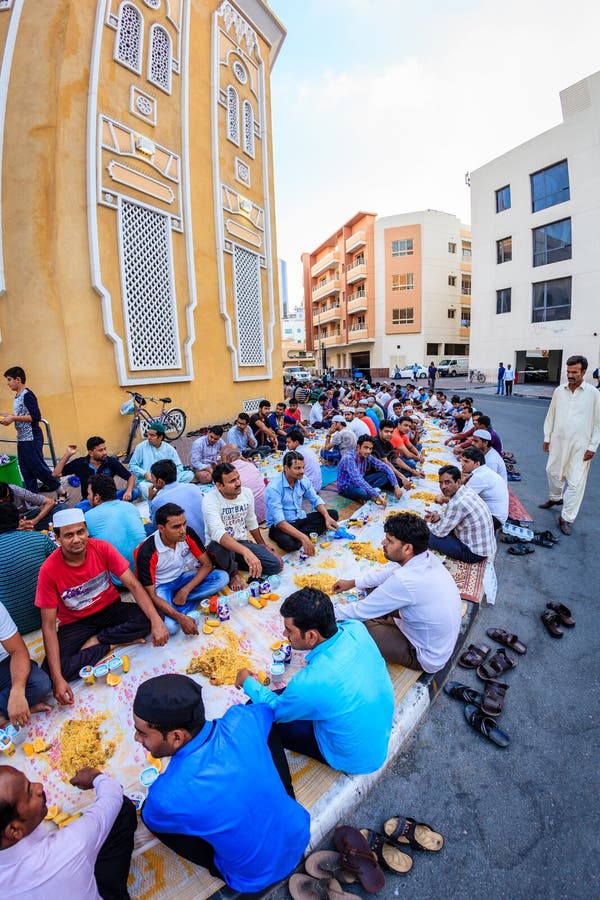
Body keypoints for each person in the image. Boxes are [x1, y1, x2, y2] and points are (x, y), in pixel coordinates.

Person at [132, 674, 310, 893]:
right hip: (299, 830)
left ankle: (218, 866)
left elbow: (153, 816)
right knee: (264, 726)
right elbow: (266, 709)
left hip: (252, 877)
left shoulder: (166, 795)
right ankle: (285, 795)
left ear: (177, 737)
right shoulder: (241, 719)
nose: (136, 738)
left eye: (142, 732)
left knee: (150, 816)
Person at [236, 588, 394, 774]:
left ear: (311, 636)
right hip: (377, 740)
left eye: (289, 630)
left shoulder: (310, 683)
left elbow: (276, 710)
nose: (285, 634)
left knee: (256, 708)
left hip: (353, 758)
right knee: (290, 698)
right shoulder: (356, 629)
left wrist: (247, 681)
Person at [35, 508, 168, 700]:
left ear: (87, 530)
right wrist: (57, 680)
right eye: (68, 535)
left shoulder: (101, 548)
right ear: (57, 539)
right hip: (76, 623)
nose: (77, 539)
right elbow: (48, 626)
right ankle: (110, 642)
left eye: (80, 532)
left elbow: (134, 586)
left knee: (155, 615)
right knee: (50, 672)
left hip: (110, 609)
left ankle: (98, 640)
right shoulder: (48, 570)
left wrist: (155, 620)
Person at [333, 513, 461, 672]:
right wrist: (352, 583)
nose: (383, 543)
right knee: (374, 587)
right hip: (427, 631)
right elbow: (386, 574)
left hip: (424, 655)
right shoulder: (425, 557)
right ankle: (385, 618)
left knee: (355, 625)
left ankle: (384, 622)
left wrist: (326, 614)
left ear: (407, 548)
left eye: (390, 541)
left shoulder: (405, 580)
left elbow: (360, 611)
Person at [0, 764, 137, 899]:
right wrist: (95, 777)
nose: (39, 787)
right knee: (122, 809)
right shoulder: (70, 845)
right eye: (29, 793)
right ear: (14, 830)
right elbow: (112, 796)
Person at [135, 504, 229, 635]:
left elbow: (207, 565)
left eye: (184, 524)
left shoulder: (187, 534)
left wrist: (186, 590)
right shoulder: (146, 552)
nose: (183, 530)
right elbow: (151, 595)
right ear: (161, 528)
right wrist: (180, 618)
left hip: (181, 578)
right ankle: (181, 607)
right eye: (176, 527)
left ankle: (178, 603)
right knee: (171, 627)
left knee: (222, 577)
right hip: (160, 588)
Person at [540, 355, 600, 534]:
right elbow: (551, 415)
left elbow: (598, 423)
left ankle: (565, 517)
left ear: (584, 372)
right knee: (552, 472)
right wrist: (547, 437)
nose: (570, 375)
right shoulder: (559, 391)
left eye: (574, 372)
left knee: (575, 483)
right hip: (558, 443)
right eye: (568, 371)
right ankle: (556, 497)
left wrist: (592, 446)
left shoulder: (594, 394)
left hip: (580, 447)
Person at [202, 463, 282, 589]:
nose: (238, 483)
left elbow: (251, 521)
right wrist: (247, 552)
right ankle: (232, 573)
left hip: (240, 543)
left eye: (238, 478)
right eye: (232, 481)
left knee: (275, 565)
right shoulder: (209, 499)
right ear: (219, 486)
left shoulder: (246, 493)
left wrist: (263, 546)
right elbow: (217, 533)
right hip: (219, 546)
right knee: (218, 548)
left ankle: (232, 563)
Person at [265, 451, 338, 554]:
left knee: (332, 515)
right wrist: (303, 537)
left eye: (303, 467)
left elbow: (315, 499)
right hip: (280, 526)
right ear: (286, 468)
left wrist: (326, 517)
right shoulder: (274, 488)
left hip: (299, 519)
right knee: (290, 544)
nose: (302, 471)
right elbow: (280, 522)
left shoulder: (303, 480)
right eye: (297, 468)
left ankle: (299, 536)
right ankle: (302, 536)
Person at [1, 367, 60, 493]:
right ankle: (33, 499)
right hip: (22, 438)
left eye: (9, 380)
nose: (8, 383)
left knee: (38, 467)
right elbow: (22, 414)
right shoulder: (17, 396)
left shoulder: (27, 395)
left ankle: (61, 491)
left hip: (32, 437)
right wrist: (8, 417)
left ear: (18, 379)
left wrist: (13, 418)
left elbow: (36, 417)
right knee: (25, 470)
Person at [0, 502, 55, 635]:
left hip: (10, 629)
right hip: (49, 617)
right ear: (19, 521)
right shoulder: (39, 538)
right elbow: (64, 560)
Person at [425, 465, 496, 563]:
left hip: (474, 553)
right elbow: (454, 517)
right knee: (440, 528)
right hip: (483, 547)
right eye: (440, 483)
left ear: (458, 482)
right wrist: (439, 517)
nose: (443, 487)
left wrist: (427, 524)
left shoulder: (457, 503)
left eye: (447, 482)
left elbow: (439, 533)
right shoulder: (466, 490)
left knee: (426, 535)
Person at [0, 601, 52, 728]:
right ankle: (7, 716)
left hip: (3, 664)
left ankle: (11, 710)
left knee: (40, 683)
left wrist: (17, 691)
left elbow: (18, 651)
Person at [52, 436, 137, 510]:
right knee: (79, 508)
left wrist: (128, 491)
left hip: (111, 498)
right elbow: (56, 474)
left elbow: (130, 477)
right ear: (91, 453)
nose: (105, 452)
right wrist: (68, 454)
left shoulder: (111, 461)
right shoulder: (80, 463)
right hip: (90, 501)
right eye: (100, 450)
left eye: (105, 449)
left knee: (135, 492)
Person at [84, 474, 146, 575]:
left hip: (118, 579)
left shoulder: (88, 516)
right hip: (144, 572)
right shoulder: (131, 507)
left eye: (89, 494)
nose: (88, 497)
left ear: (97, 498)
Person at [128, 423, 194, 500]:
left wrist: (168, 478)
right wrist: (144, 474)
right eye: (148, 435)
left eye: (152, 435)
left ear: (160, 437)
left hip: (167, 481)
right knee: (144, 488)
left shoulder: (169, 449)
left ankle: (162, 494)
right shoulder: (141, 447)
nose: (149, 438)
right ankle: (169, 492)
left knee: (189, 475)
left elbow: (179, 466)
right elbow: (132, 465)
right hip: (149, 481)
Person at [148, 458, 206, 540]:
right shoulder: (193, 487)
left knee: (147, 528)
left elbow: (156, 527)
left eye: (153, 479)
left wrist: (150, 500)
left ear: (160, 481)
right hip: (206, 537)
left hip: (187, 544)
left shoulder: (158, 501)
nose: (152, 481)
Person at [337, 435, 403, 505]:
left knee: (385, 474)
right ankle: (369, 494)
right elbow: (357, 480)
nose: (368, 451)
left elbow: (385, 467)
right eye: (365, 448)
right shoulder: (349, 458)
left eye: (370, 449)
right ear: (358, 447)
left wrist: (396, 486)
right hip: (347, 486)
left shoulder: (367, 456)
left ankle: (369, 493)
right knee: (363, 493)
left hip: (361, 481)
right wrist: (377, 495)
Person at [460, 448, 508, 529]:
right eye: (462, 460)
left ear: (477, 464)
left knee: (456, 518)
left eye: (466, 461)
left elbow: (461, 500)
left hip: (494, 519)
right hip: (497, 515)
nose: (462, 464)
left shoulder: (480, 477)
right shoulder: (484, 471)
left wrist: (443, 499)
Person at [220, 443, 266, 522]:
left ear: (227, 458)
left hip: (249, 520)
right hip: (265, 513)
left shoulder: (227, 473)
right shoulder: (251, 465)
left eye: (222, 458)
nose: (221, 461)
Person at [372, 421, 414, 488]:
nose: (389, 434)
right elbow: (386, 463)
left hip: (385, 469)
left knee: (408, 472)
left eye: (391, 432)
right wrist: (402, 477)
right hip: (375, 472)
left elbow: (396, 459)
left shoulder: (388, 442)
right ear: (380, 430)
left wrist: (413, 471)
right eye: (386, 431)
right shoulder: (375, 442)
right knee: (399, 480)